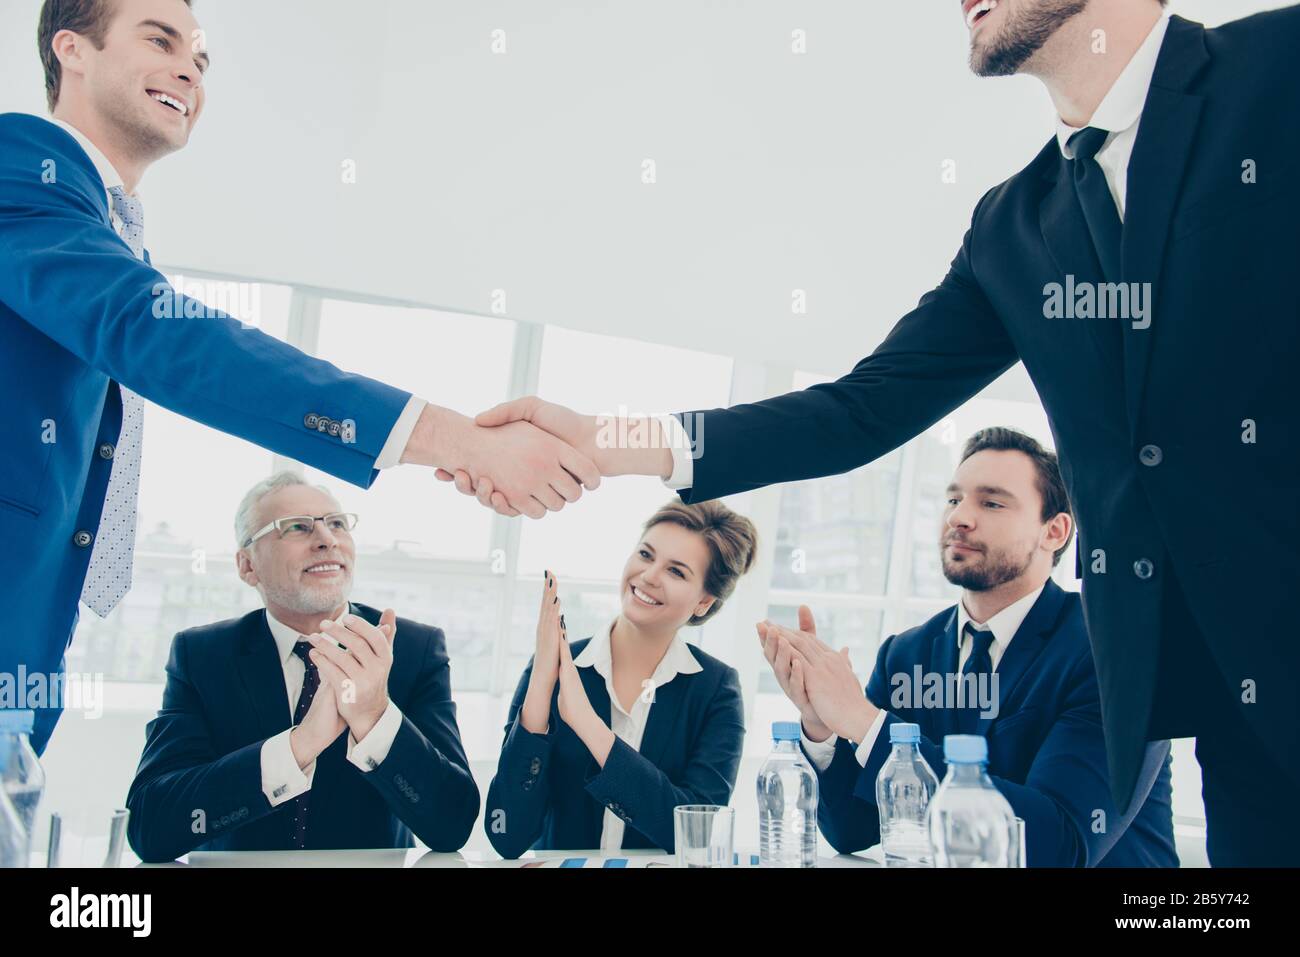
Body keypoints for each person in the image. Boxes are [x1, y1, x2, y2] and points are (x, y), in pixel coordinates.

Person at [450, 1, 1300, 865]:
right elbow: (861, 408)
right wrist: (609, 440)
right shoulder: (1013, 227)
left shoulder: (1279, 65)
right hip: (1239, 733)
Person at [0, 0, 595, 753]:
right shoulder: (18, 169)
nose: (191, 68)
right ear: (71, 50)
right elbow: (164, 338)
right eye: (160, 39)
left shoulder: (103, 231)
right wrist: (459, 441)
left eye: (201, 57)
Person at [761, 428, 1176, 866]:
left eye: (992, 502)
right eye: (954, 499)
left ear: (1054, 532)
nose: (959, 517)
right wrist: (821, 725)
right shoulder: (906, 653)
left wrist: (867, 724)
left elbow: (1061, 845)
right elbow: (853, 828)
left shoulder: (1117, 655)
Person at [125, 472, 479, 862]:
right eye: (297, 527)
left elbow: (451, 825)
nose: (326, 539)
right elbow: (150, 827)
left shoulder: (412, 650)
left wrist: (374, 716)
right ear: (247, 566)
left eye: (337, 524)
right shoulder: (203, 655)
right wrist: (301, 745)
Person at [484, 501, 756, 858]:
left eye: (676, 572)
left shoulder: (716, 689)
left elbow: (696, 835)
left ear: (704, 601)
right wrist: (539, 694)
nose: (649, 576)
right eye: (646, 554)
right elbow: (508, 837)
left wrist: (588, 725)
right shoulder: (554, 664)